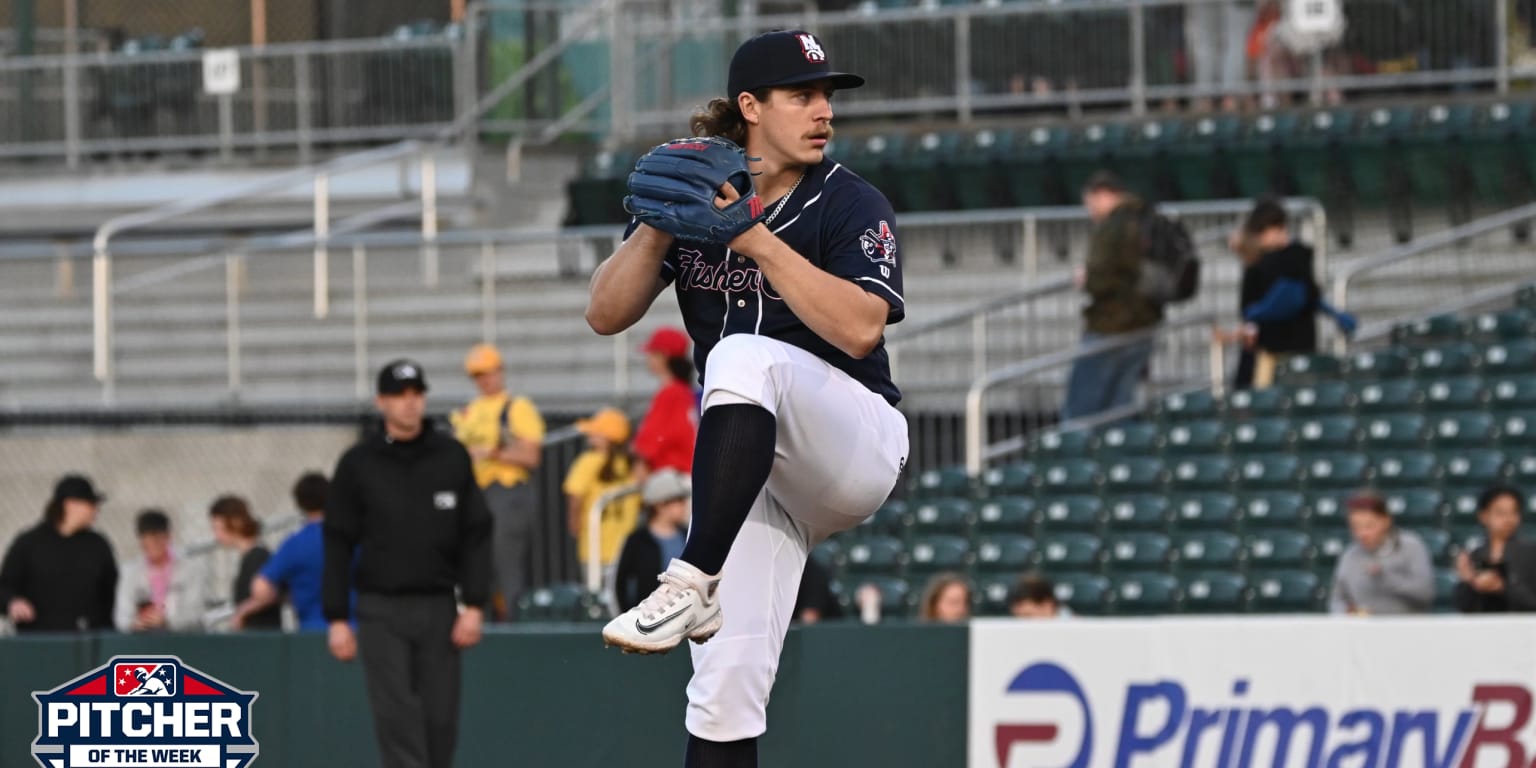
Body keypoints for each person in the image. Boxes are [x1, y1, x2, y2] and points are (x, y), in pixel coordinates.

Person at [585, 29, 910, 768]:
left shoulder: (852, 202)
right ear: (750, 106)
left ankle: (692, 577)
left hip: (853, 441)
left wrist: (757, 241)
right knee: (722, 691)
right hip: (751, 472)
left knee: (740, 357)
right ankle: (700, 590)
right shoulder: (704, 186)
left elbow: (862, 329)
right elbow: (604, 313)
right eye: (803, 95)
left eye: (828, 95)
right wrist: (654, 232)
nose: (823, 109)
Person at [324, 359, 492, 768]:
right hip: (380, 608)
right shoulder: (358, 464)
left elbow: (476, 531)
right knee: (397, 718)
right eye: (399, 395)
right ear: (381, 402)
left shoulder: (451, 456)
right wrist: (336, 618)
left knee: (440, 721)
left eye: (416, 394)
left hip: (438, 606)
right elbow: (337, 540)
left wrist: (473, 604)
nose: (409, 403)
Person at [450, 342, 546, 621]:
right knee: (477, 566)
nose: (485, 380)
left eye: (489, 372)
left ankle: (513, 627)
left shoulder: (516, 407)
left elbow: (531, 455)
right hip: (476, 493)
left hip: (507, 491)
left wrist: (491, 452)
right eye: (478, 375)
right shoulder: (469, 410)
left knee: (507, 565)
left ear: (500, 372)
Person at [1218, 200, 1355, 390]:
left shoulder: (1295, 257)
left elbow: (1302, 297)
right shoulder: (1257, 264)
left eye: (1265, 231)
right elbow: (1250, 308)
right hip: (1267, 349)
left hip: (1296, 345)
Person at [1061, 172, 1162, 423]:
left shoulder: (1114, 226)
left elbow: (1103, 279)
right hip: (1145, 324)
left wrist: (1087, 278)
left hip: (1112, 325)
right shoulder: (1148, 218)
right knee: (1120, 408)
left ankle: (1075, 459)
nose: (1090, 210)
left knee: (1082, 410)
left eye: (1090, 202)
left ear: (1103, 195)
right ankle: (1114, 459)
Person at [0, 474, 117, 633]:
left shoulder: (98, 545)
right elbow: (4, 586)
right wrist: (12, 602)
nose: (96, 509)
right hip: (38, 642)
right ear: (70, 504)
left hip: (88, 643)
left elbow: (111, 594)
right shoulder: (29, 543)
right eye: (90, 503)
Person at [234, 471, 333, 631]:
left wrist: (244, 610)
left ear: (300, 503)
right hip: (358, 631)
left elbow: (261, 588)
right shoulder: (352, 538)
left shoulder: (296, 543)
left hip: (312, 633)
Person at [563, 407, 643, 596]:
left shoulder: (588, 460)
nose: (590, 436)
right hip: (625, 547)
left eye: (596, 433)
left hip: (595, 547)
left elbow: (575, 496)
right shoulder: (632, 464)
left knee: (597, 599)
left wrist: (574, 522)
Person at [1329, 491, 1435, 616]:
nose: (1362, 534)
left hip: (1406, 629)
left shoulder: (1410, 546)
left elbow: (1425, 592)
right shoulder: (1349, 556)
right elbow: (1337, 600)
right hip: (1363, 631)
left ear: (1386, 521)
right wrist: (1345, 612)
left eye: (1369, 526)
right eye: (1356, 527)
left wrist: (1386, 577)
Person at [114, 509, 208, 633]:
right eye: (146, 543)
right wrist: (135, 623)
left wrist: (167, 620)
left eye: (157, 541)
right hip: (143, 641)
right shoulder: (130, 572)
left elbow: (196, 613)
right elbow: (122, 616)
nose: (153, 548)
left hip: (182, 640)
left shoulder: (191, 569)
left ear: (168, 537)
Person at [615, 468, 692, 613]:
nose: (684, 506)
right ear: (660, 505)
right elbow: (621, 583)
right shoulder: (637, 541)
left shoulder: (688, 536)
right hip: (647, 620)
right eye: (678, 500)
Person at [1455, 486, 1536, 613]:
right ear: (1483, 516)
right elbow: (1464, 608)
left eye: (1514, 512)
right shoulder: (1476, 555)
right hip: (1484, 627)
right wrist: (1468, 581)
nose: (1508, 519)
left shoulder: (1531, 552)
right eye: (1501, 513)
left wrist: (1503, 587)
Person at [634, 326, 700, 478]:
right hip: (684, 476)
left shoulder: (670, 393)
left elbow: (649, 443)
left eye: (652, 354)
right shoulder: (683, 390)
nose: (648, 359)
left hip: (674, 477)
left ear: (663, 356)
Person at [208, 495, 281, 630]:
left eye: (218, 528)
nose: (216, 536)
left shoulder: (258, 556)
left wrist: (242, 612)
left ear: (236, 522)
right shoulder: (249, 558)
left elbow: (269, 593)